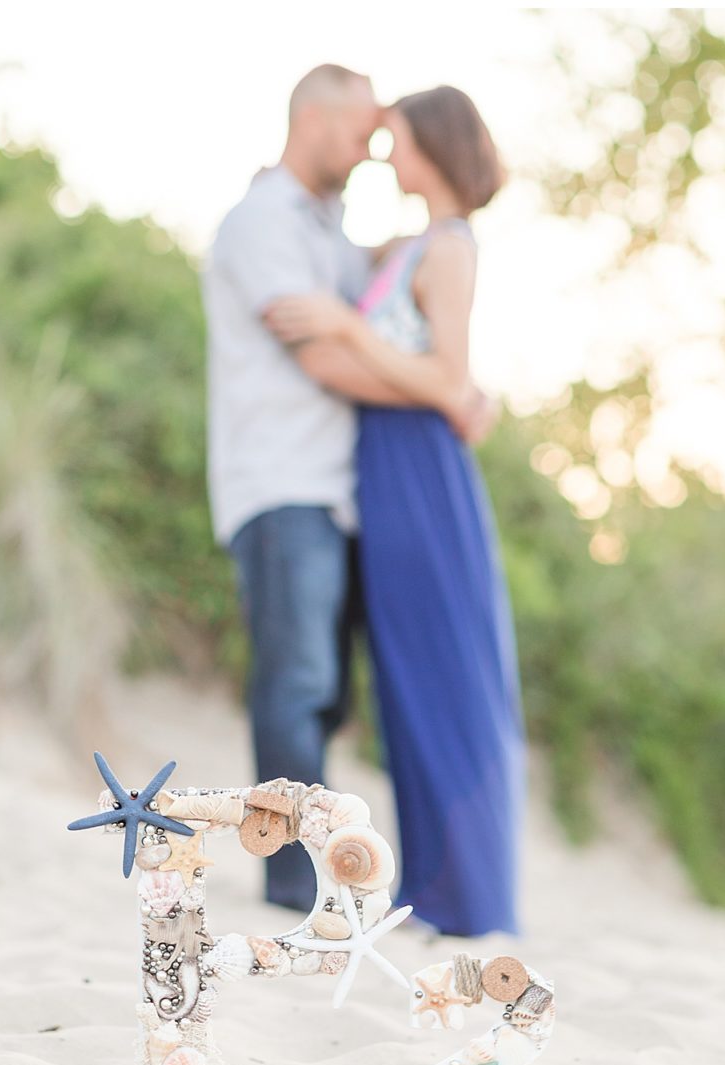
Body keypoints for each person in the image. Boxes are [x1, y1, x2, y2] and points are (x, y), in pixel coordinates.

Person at [203, 65, 490, 913]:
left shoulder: (327, 232)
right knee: (294, 684)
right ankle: (291, 888)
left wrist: (443, 374)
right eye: (363, 133)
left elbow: (384, 310)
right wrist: (449, 392)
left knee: (332, 694)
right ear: (316, 120)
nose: (372, 152)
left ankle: (343, 876)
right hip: (281, 481)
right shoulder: (263, 223)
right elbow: (325, 357)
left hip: (348, 489)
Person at [261, 86, 524, 937]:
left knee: (441, 675)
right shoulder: (409, 243)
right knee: (405, 681)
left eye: (397, 142)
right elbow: (331, 248)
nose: (385, 156)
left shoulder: (449, 250)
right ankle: (438, 887)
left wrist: (347, 328)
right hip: (386, 464)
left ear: (433, 151)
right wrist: (278, 189)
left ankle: (468, 897)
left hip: (420, 471)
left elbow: (448, 378)